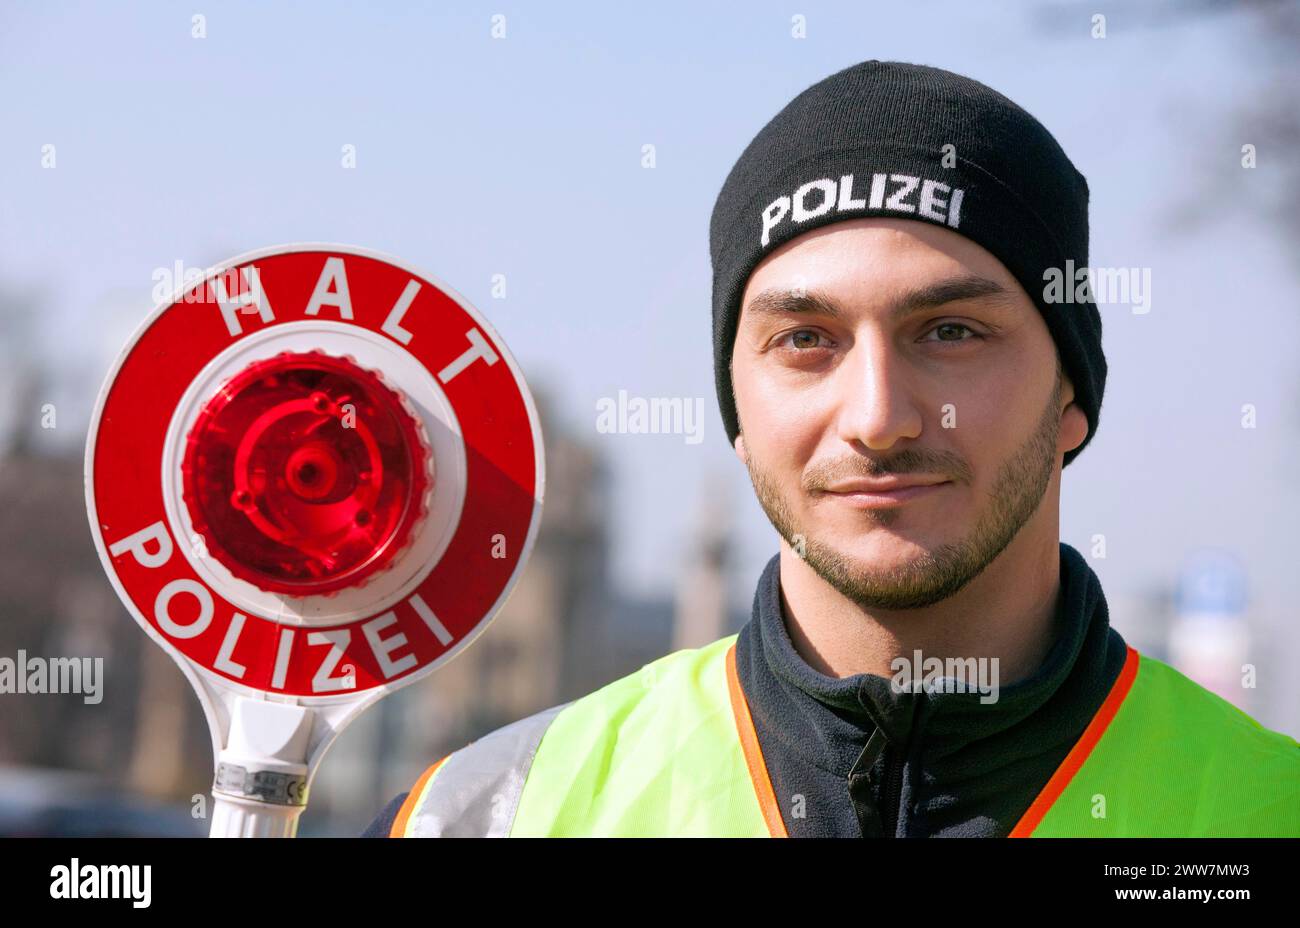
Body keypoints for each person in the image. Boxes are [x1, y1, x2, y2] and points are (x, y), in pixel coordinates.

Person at [366, 59, 1299, 838]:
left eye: (952, 332)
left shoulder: (1264, 813)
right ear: (736, 407)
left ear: (1073, 395)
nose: (879, 416)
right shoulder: (491, 814)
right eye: (805, 340)